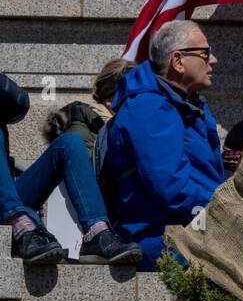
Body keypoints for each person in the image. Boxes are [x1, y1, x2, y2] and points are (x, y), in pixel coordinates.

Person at [101, 20, 225, 270]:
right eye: (205, 52)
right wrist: (226, 212)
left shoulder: (186, 104)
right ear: (178, 61)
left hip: (191, 230)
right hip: (159, 237)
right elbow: (171, 186)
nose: (213, 60)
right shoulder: (149, 107)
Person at [1, 69, 142, 266]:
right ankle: (20, 227)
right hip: (8, 209)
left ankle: (97, 232)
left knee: (70, 143)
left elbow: (18, 105)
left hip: (7, 199)